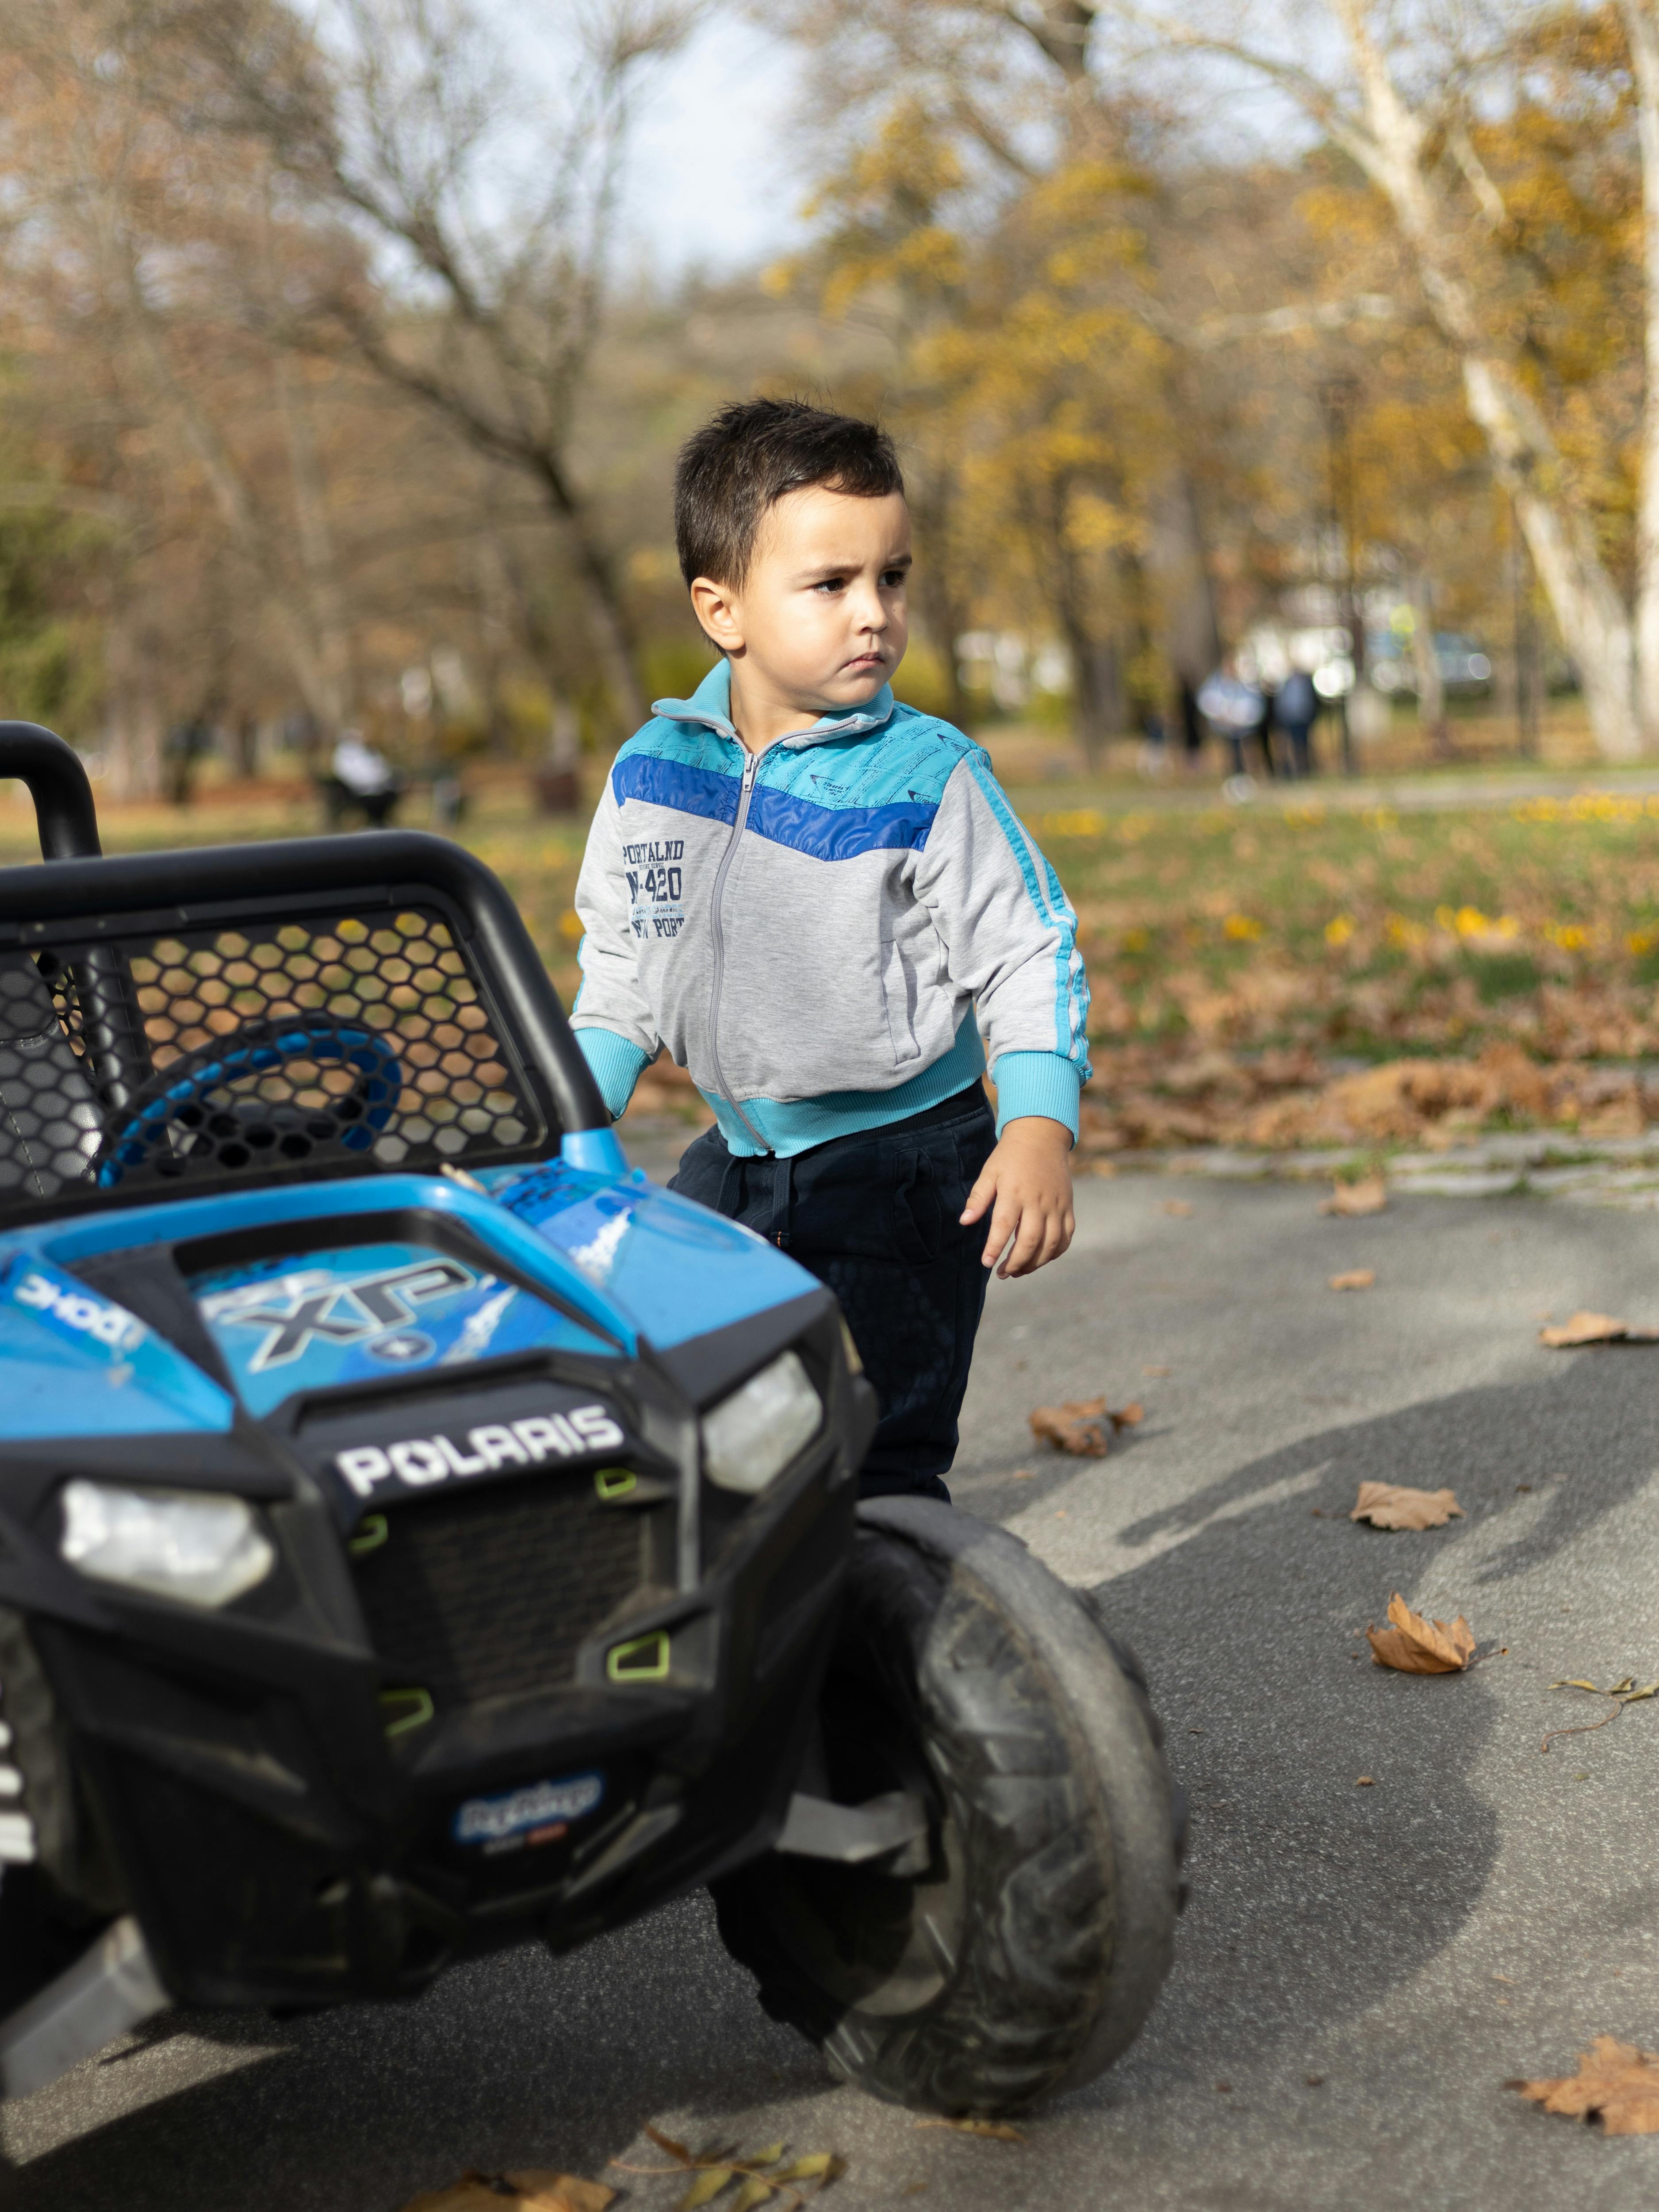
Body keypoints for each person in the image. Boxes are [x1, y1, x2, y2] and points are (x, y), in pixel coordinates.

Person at [570, 397, 1089, 1503]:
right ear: (721, 611)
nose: (873, 614)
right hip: (739, 1156)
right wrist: (567, 1121)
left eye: (890, 578)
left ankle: (901, 1648)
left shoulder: (924, 773)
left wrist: (1037, 1125)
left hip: (903, 1164)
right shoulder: (652, 774)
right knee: (681, 1403)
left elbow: (1024, 950)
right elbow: (621, 971)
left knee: (873, 1457)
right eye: (829, 584)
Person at [1274, 660, 1319, 779]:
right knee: (1289, 747)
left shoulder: (1307, 683)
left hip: (1304, 719)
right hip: (1289, 719)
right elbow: (1281, 702)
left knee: (1304, 745)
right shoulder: (1285, 684)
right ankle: (1290, 772)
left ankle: (1306, 771)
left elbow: (1313, 702)